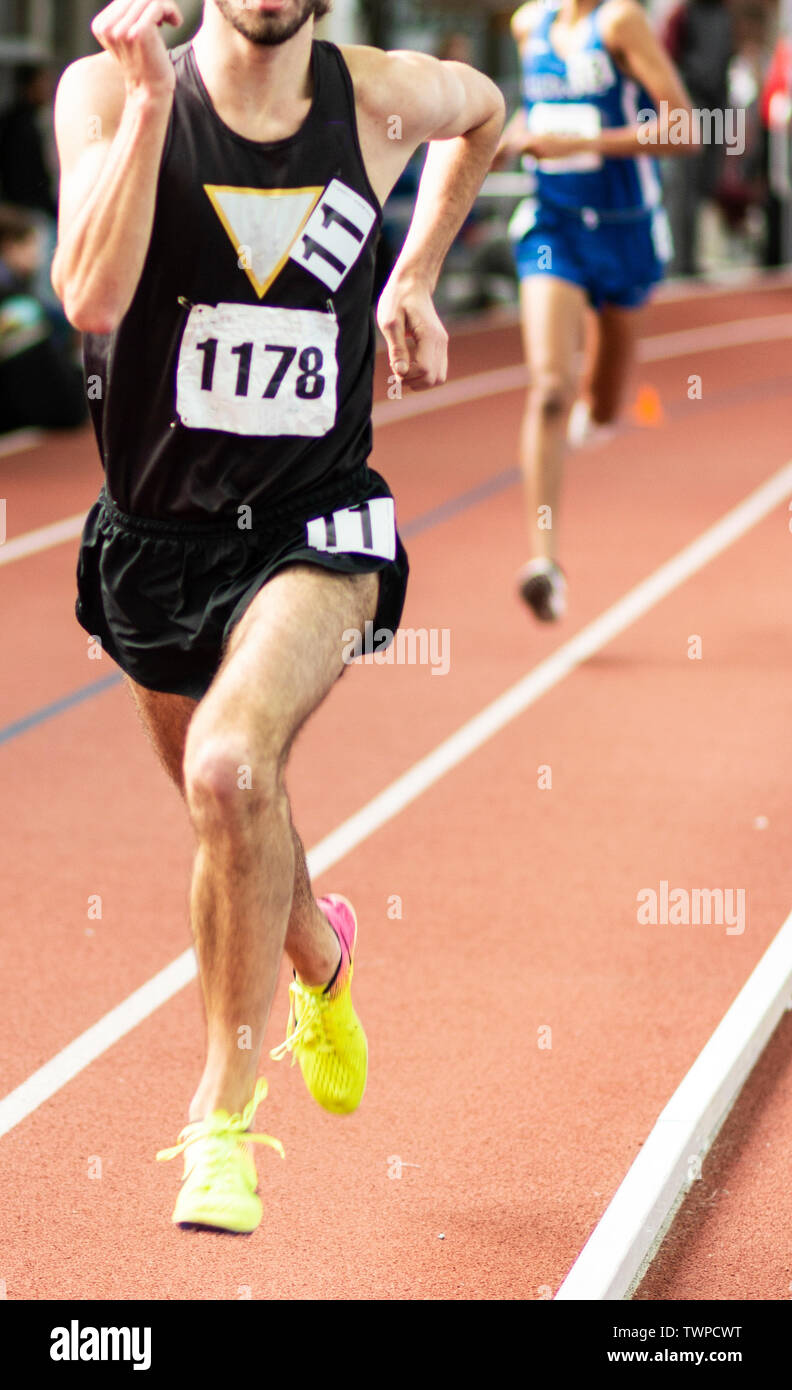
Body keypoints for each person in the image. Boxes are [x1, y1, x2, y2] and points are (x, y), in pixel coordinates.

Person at [52, 0, 504, 1235]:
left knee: (230, 765)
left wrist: (416, 272)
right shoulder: (110, 94)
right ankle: (319, 948)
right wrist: (152, 108)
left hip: (318, 518)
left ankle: (220, 1118)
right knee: (232, 807)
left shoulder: (377, 99)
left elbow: (485, 115)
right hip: (155, 539)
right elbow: (90, 295)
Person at [495, 1, 694, 622]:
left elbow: (685, 129)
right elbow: (537, 112)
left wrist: (582, 143)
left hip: (625, 232)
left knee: (605, 405)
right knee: (549, 388)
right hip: (554, 227)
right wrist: (509, 139)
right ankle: (544, 564)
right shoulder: (528, 24)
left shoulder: (620, 23)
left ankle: (593, 414)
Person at [0, 203, 86, 433]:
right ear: (10, 246)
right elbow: (52, 398)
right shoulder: (18, 308)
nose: (38, 255)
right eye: (31, 245)